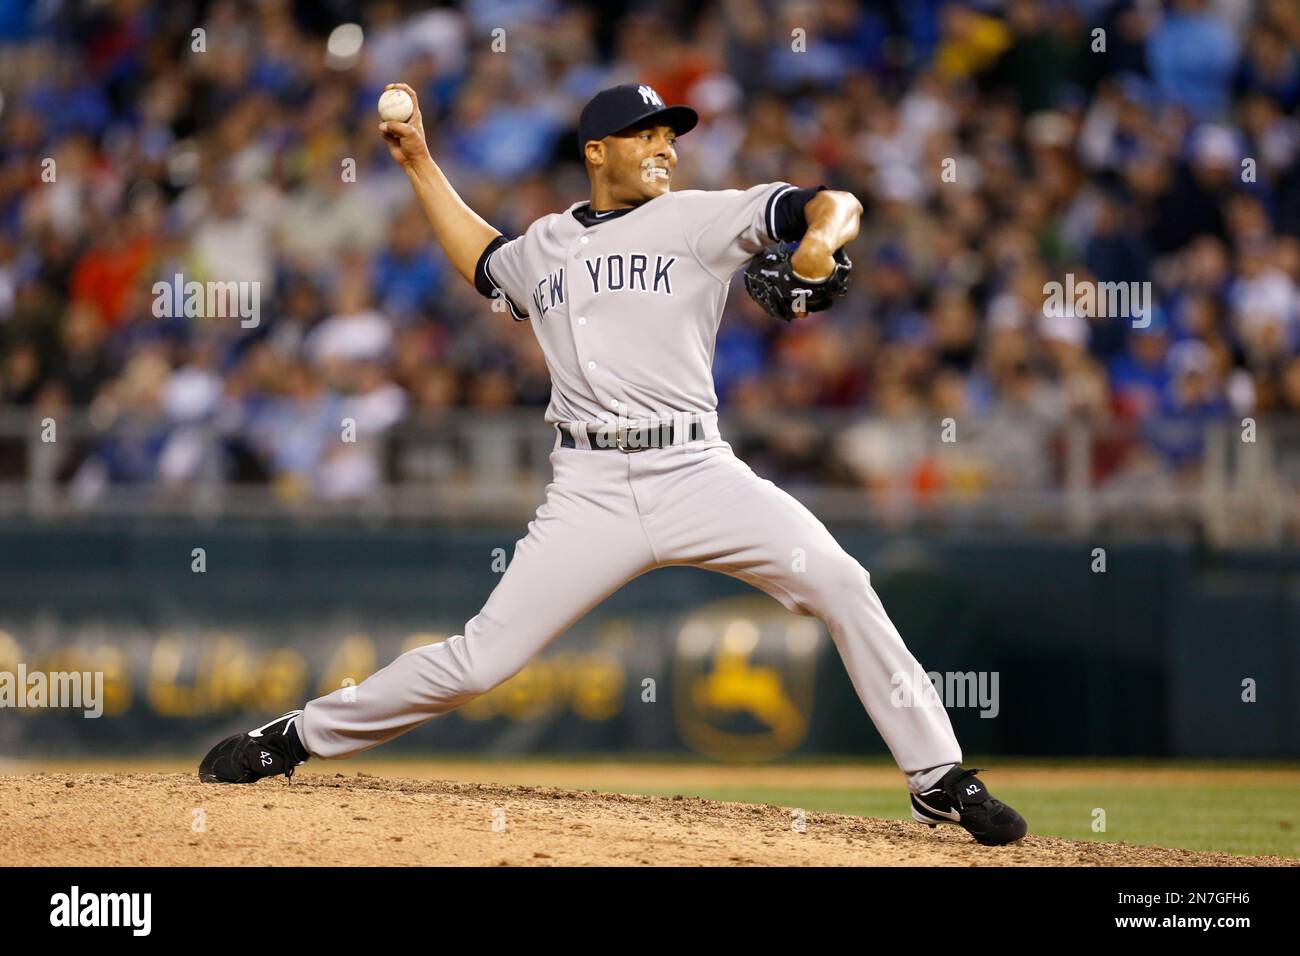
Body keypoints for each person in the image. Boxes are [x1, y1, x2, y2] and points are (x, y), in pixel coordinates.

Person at [198, 83, 1027, 847]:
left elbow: (835, 202)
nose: (665, 146)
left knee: (843, 584)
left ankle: (936, 777)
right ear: (597, 150)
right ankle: (297, 735)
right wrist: (418, 160)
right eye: (646, 134)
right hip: (588, 489)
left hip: (699, 471)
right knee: (481, 659)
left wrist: (815, 250)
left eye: (671, 134)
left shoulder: (700, 217)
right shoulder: (548, 245)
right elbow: (485, 261)